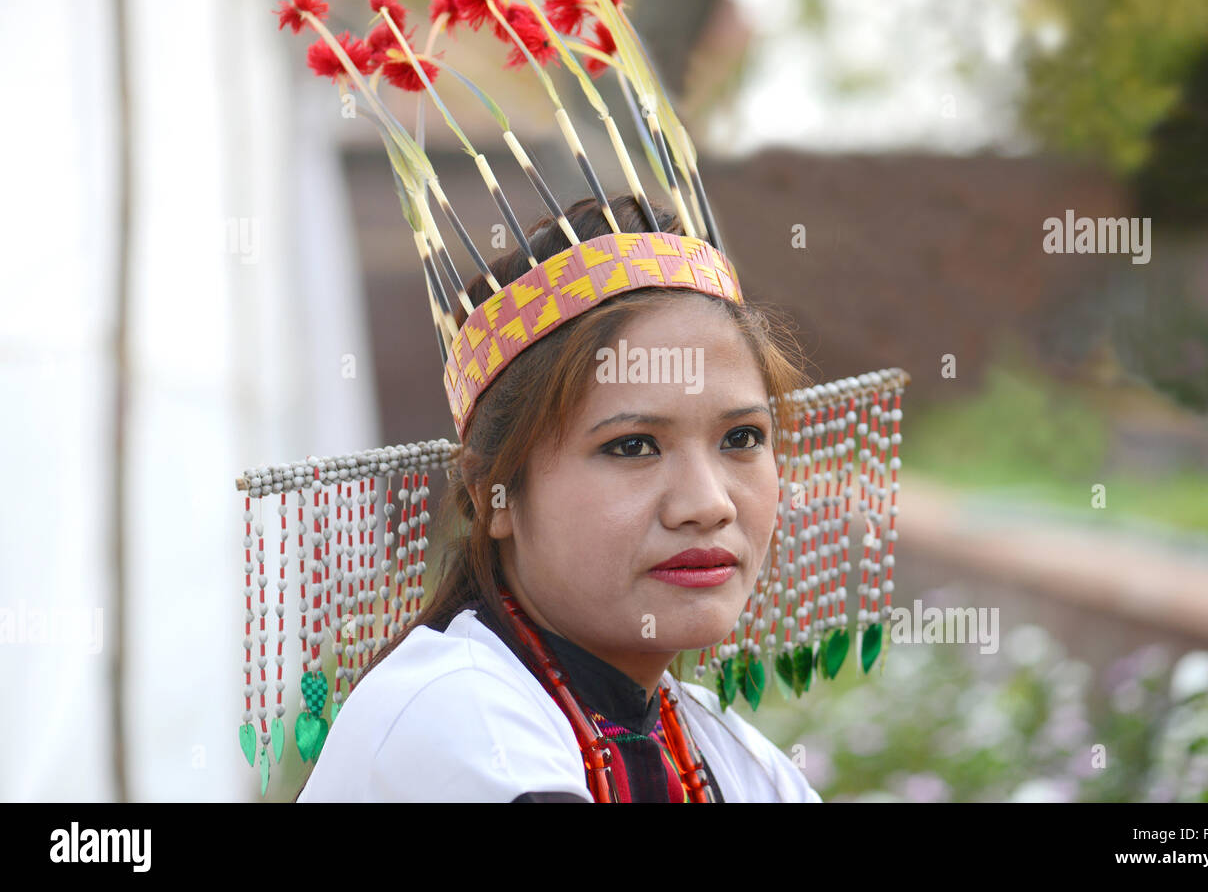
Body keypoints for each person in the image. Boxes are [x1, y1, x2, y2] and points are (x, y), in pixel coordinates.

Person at [296, 194, 821, 802]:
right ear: (492, 495)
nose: (708, 504)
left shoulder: (740, 763)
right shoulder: (461, 728)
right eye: (632, 446)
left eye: (741, 438)